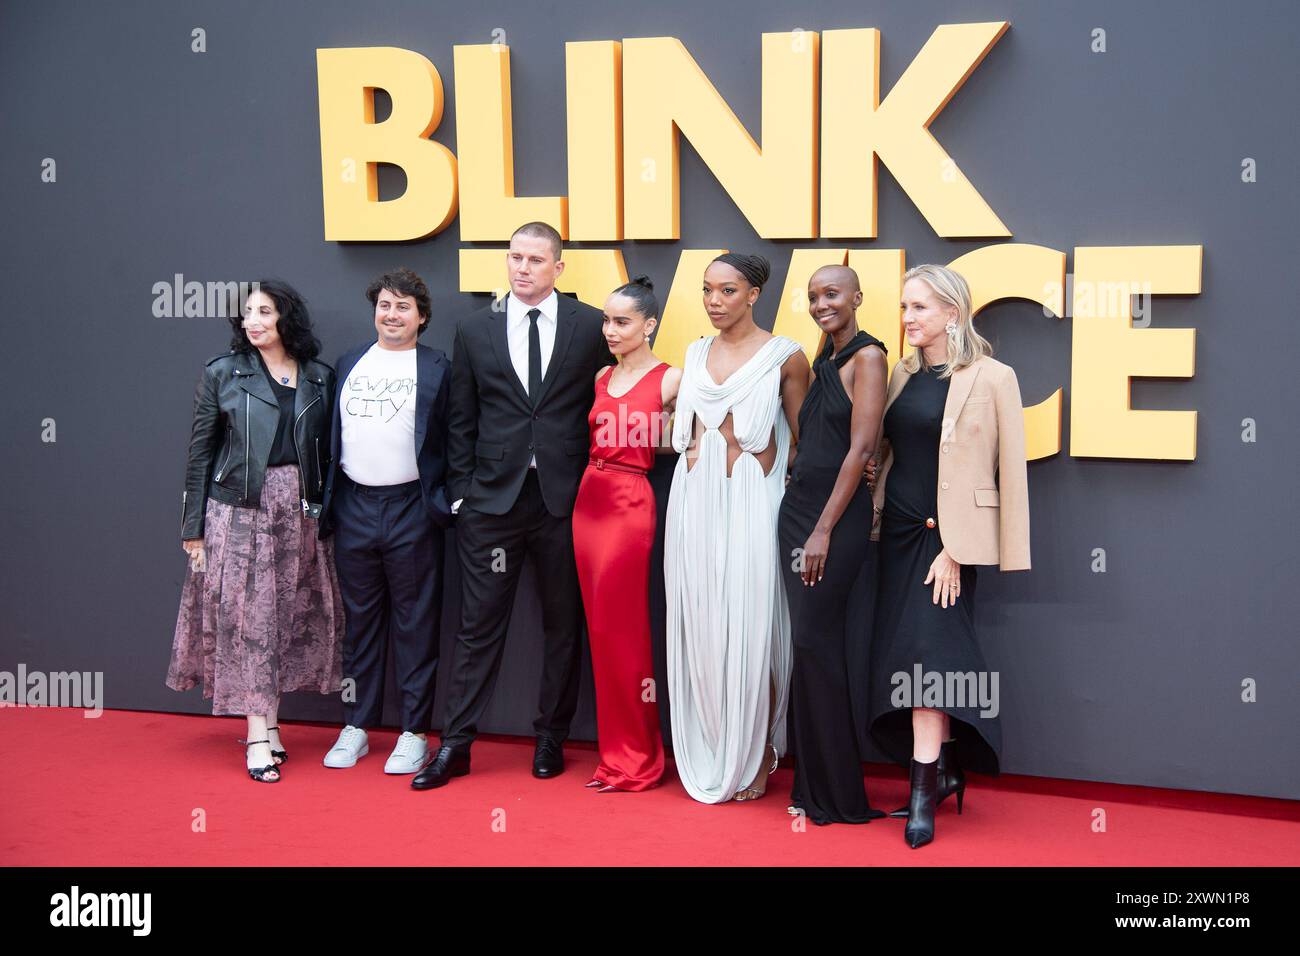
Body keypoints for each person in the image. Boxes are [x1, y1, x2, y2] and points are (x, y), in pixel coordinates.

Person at [413, 221, 615, 790]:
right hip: (491, 505)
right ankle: (456, 744)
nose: (521, 268)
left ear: (559, 267)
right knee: (477, 628)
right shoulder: (476, 329)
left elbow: (610, 397)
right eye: (514, 258)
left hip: (565, 501)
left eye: (534, 259)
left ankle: (550, 738)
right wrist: (460, 493)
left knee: (563, 625)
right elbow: (460, 418)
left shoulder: (588, 326)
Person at [867, 263, 1031, 847]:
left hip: (945, 544)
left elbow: (1006, 472)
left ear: (952, 313)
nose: (908, 318)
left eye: (921, 308)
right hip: (898, 537)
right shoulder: (903, 374)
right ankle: (945, 773)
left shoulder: (992, 377)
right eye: (905, 307)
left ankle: (920, 795)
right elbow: (890, 453)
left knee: (929, 665)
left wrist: (958, 550)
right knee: (905, 659)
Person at [168, 279, 344, 783]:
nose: (254, 321)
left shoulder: (318, 377)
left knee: (284, 619)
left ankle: (269, 723)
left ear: (287, 318)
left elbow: (328, 453)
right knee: (249, 622)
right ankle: (258, 735)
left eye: (265, 311)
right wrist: (192, 527)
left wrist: (324, 513)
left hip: (300, 514)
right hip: (239, 512)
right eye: (248, 313)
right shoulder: (222, 373)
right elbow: (199, 453)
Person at [664, 253, 810, 804]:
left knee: (754, 625)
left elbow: (805, 442)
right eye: (707, 290)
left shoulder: (786, 356)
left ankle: (759, 750)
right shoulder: (695, 352)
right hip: (694, 502)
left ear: (754, 294)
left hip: (754, 499)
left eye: (727, 290)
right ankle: (714, 742)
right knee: (702, 623)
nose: (714, 301)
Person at [318, 268, 452, 776]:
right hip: (353, 506)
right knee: (361, 623)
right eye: (384, 305)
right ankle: (356, 725)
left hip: (412, 509)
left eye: (403, 307)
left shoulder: (438, 367)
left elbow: (454, 440)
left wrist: (441, 502)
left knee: (416, 624)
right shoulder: (350, 361)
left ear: (421, 317)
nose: (391, 314)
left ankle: (414, 732)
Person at [777, 265, 889, 824]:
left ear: (857, 298)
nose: (822, 304)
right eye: (815, 296)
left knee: (818, 645)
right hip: (797, 512)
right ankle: (812, 784)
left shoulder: (868, 357)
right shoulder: (825, 359)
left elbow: (864, 446)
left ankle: (838, 794)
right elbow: (814, 439)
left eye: (832, 295)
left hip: (830, 523)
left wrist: (823, 528)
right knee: (808, 648)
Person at [572, 276, 681, 792]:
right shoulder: (600, 376)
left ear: (649, 324)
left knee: (626, 634)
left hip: (630, 504)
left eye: (622, 322)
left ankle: (638, 758)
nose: (610, 331)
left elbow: (688, 442)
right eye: (606, 321)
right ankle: (613, 756)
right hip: (588, 502)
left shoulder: (672, 379)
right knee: (599, 631)